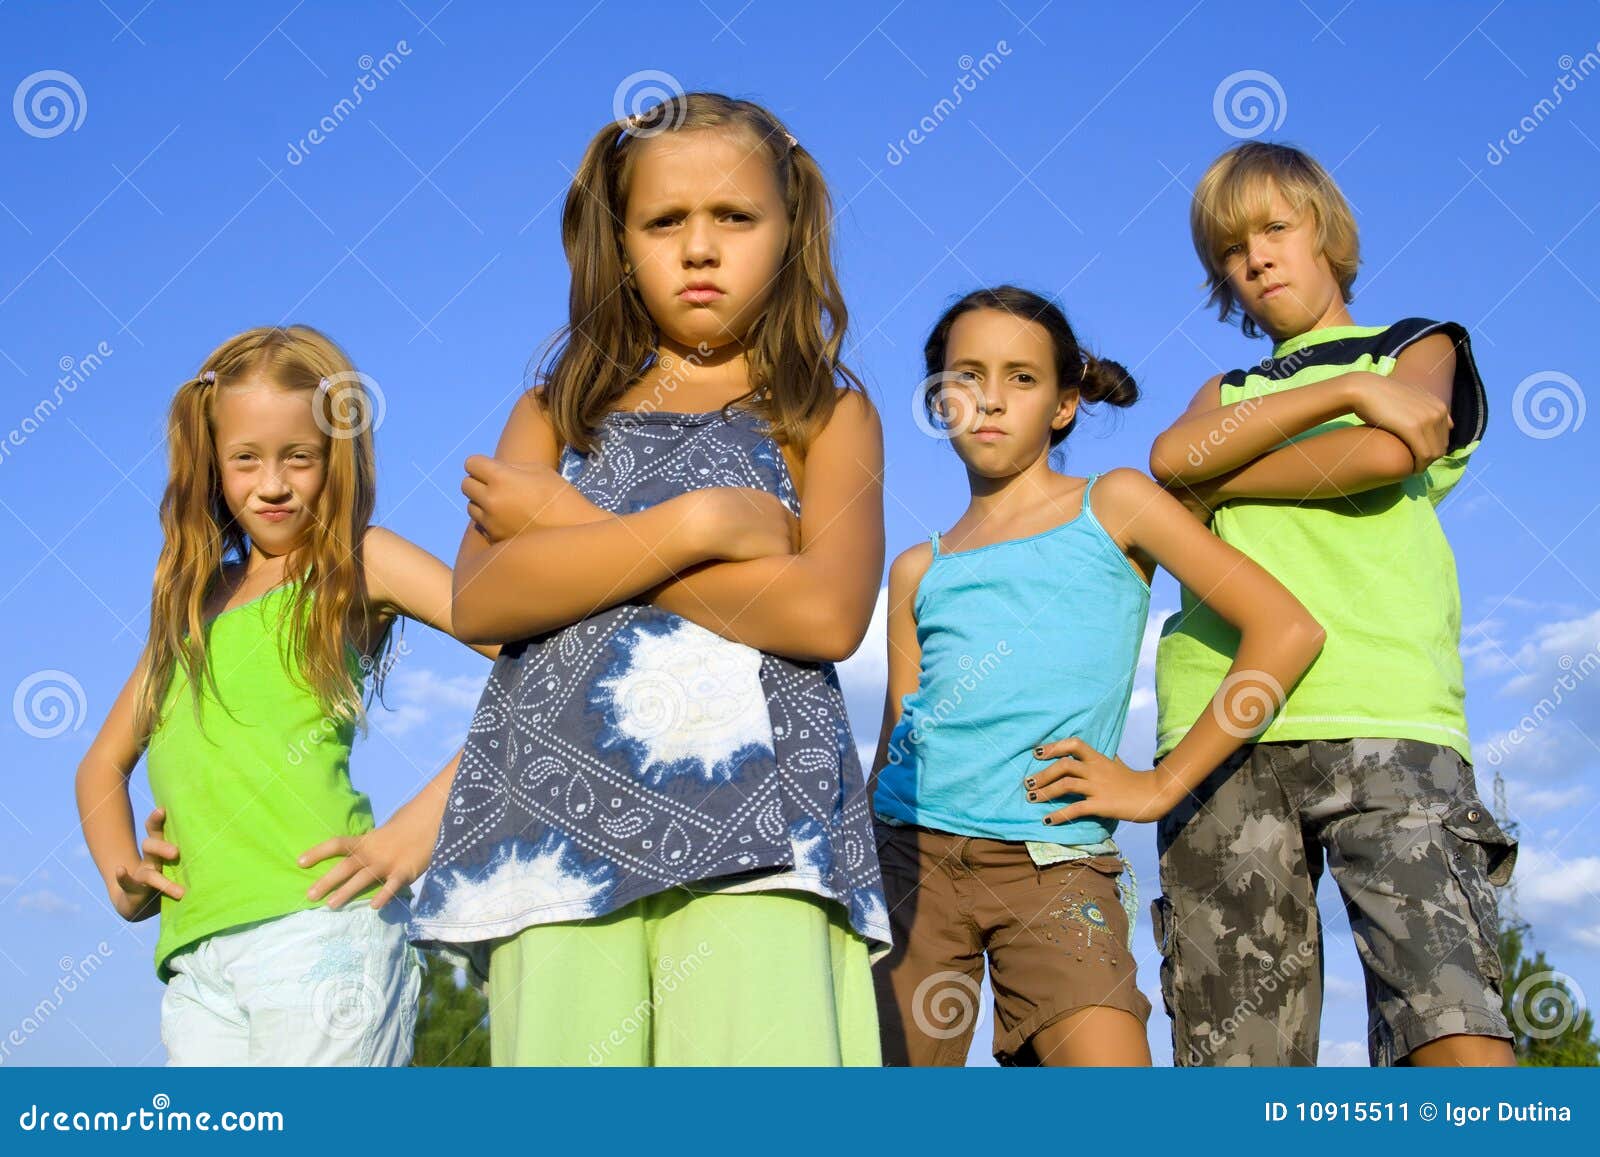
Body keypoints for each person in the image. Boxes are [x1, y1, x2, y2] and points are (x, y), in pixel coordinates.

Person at [408, 92, 890, 1066]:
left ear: (789, 232)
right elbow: (485, 600)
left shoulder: (826, 414)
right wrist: (699, 525)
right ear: (620, 243)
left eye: (734, 218)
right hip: (549, 840)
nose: (700, 247)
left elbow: (828, 614)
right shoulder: (553, 410)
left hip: (766, 839)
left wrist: (575, 531)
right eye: (666, 221)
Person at [871, 286, 1323, 1066]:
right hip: (910, 859)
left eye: (1020, 377)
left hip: (1054, 859)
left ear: (1064, 404)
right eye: (966, 376)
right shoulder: (916, 568)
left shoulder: (1114, 504)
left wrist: (1158, 785)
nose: (988, 399)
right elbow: (894, 737)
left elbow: (1287, 630)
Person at [1148, 141, 1514, 1066]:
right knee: (1238, 1057)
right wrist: (1350, 396)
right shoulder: (1222, 391)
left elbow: (1391, 452)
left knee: (1453, 1021)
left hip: (1385, 714)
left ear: (1329, 236)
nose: (1256, 257)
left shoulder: (1417, 343)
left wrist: (1231, 477)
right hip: (1221, 725)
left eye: (1275, 228)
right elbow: (1171, 462)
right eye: (1231, 250)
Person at [75, 324, 493, 1065]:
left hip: (323, 931)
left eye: (298, 457)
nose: (271, 483)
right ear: (212, 465)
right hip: (197, 959)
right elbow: (101, 764)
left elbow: (535, 662)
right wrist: (122, 876)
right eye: (245, 459)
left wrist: (415, 830)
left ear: (335, 456)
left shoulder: (362, 560)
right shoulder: (193, 608)